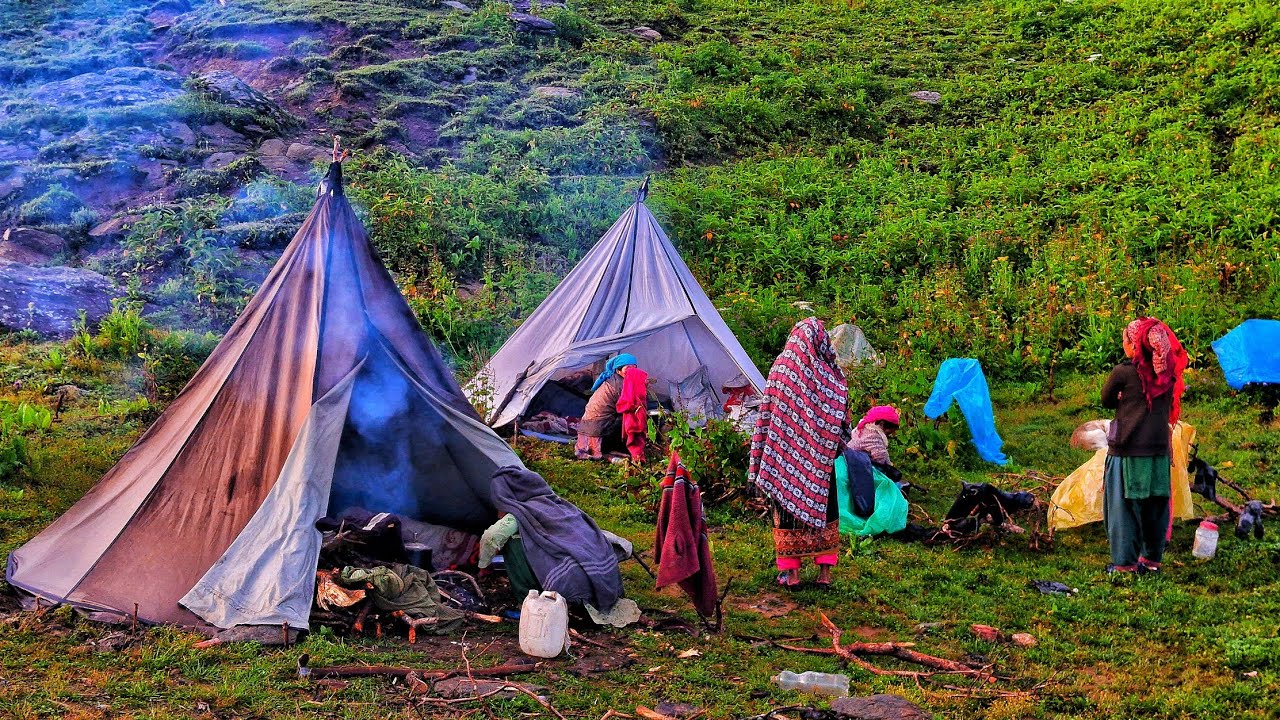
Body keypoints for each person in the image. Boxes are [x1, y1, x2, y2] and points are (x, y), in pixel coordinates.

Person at [748, 318, 849, 589]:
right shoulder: (830, 374)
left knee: (786, 516)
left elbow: (767, 413)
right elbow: (841, 413)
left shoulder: (781, 368)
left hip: (785, 462)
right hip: (819, 465)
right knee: (826, 513)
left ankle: (792, 576)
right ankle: (824, 575)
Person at [1101, 317, 1188, 575]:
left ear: (1135, 345)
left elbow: (1106, 399)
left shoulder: (1123, 372)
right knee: (1156, 506)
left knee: (1124, 509)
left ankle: (1125, 565)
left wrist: (1121, 396)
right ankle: (1152, 562)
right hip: (1159, 450)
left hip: (1128, 451)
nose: (1124, 346)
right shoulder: (1167, 373)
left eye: (1125, 341)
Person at [575, 354, 639, 460]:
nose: (632, 370)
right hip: (597, 428)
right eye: (628, 368)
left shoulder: (613, 379)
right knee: (630, 418)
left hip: (588, 425)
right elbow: (628, 407)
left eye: (634, 367)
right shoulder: (620, 384)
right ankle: (613, 449)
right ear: (618, 370)